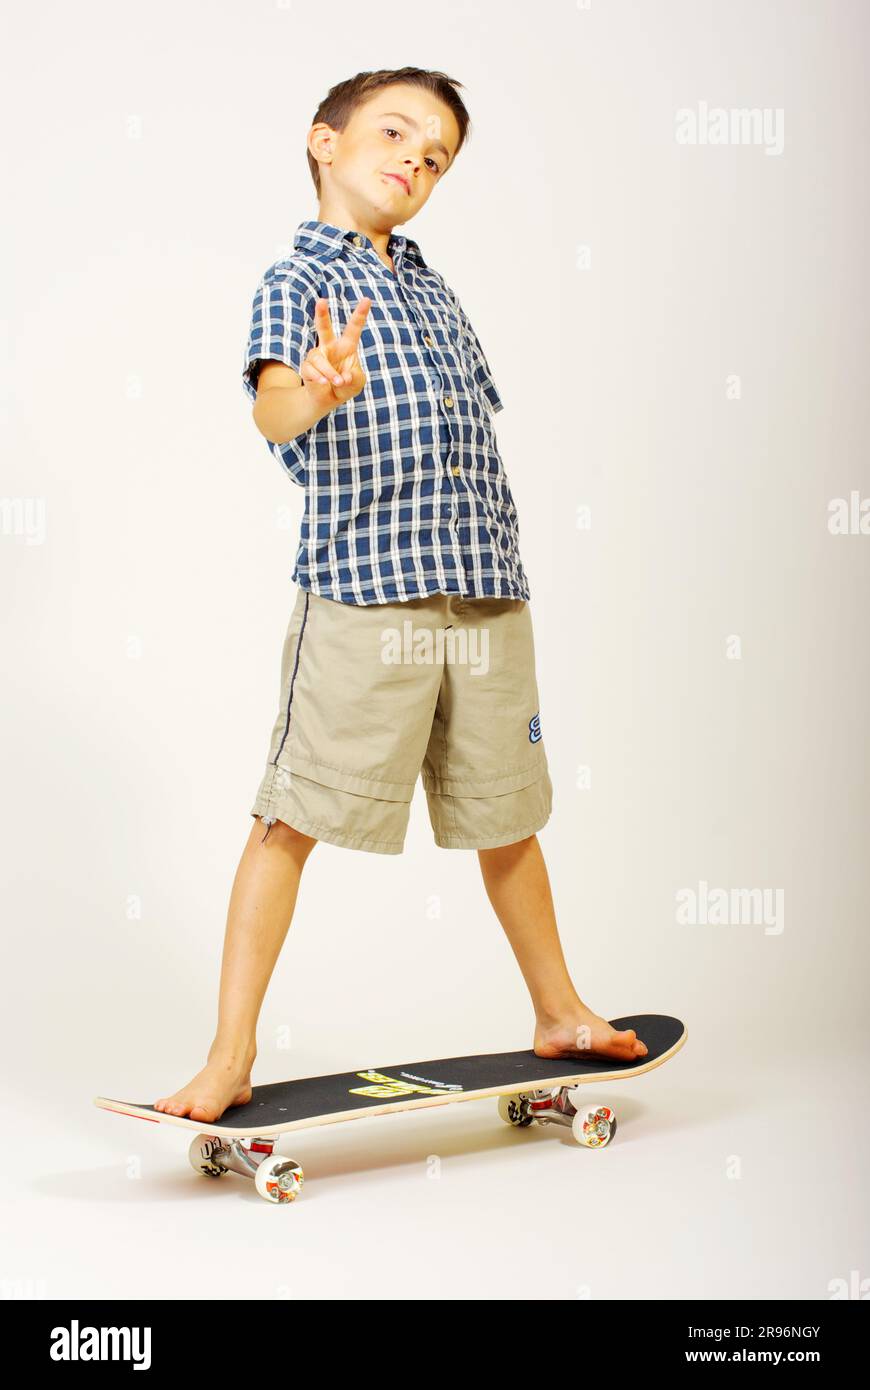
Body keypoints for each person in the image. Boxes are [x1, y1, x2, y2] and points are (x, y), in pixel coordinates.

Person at [156, 67, 647, 1123]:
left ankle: (558, 1010)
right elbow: (274, 410)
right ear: (324, 141)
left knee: (507, 814)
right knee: (294, 814)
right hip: (366, 595)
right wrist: (317, 384)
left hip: (484, 587)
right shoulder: (296, 281)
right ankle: (229, 1056)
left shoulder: (430, 285)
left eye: (436, 158)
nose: (414, 162)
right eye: (395, 133)